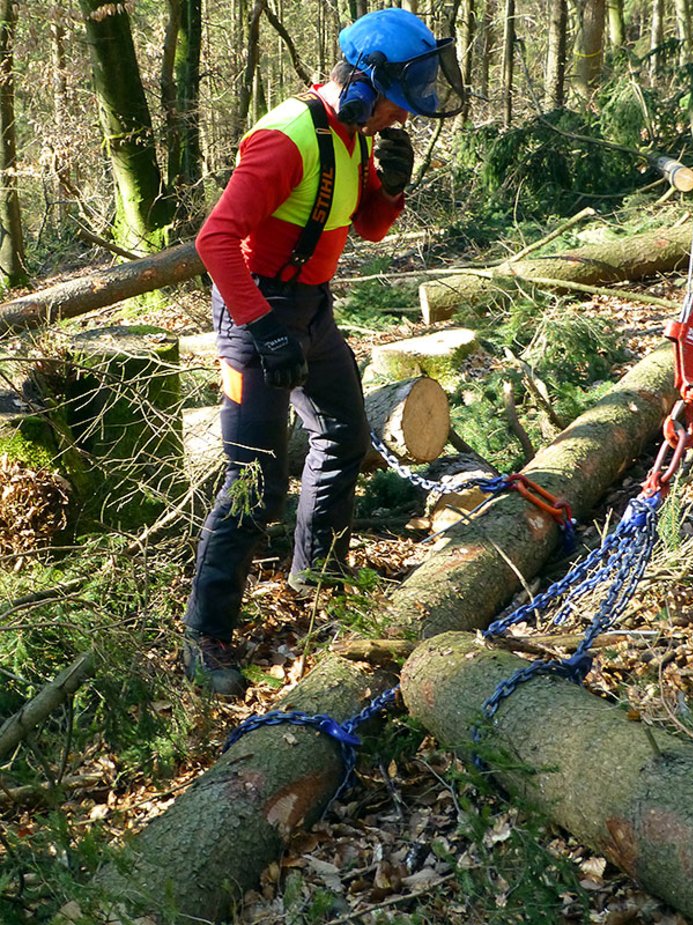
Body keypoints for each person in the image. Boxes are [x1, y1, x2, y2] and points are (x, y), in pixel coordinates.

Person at [182, 8, 465, 696]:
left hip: (311, 309)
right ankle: (205, 634)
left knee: (344, 431)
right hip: (257, 314)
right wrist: (262, 328)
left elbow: (362, 225)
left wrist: (390, 189)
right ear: (366, 87)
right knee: (255, 480)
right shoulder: (287, 138)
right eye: (399, 105)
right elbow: (215, 241)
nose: (402, 120)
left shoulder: (351, 133)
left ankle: (319, 575)